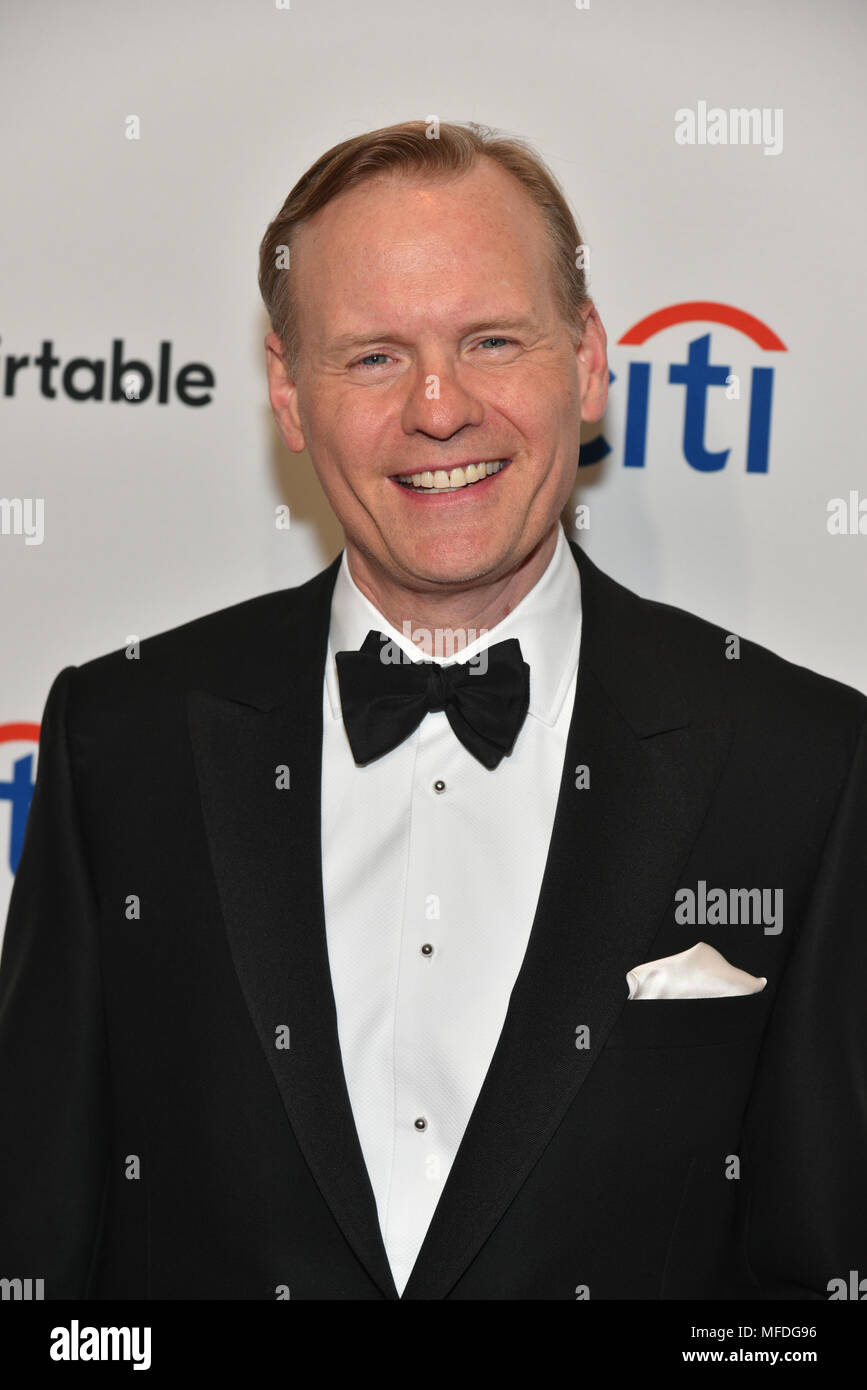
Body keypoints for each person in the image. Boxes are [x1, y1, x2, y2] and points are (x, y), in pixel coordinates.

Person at [1, 119, 865, 1301]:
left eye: (493, 340)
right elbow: (38, 1252)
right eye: (370, 358)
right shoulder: (122, 736)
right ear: (288, 395)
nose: (439, 408)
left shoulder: (803, 763)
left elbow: (816, 1288)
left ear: (589, 360)